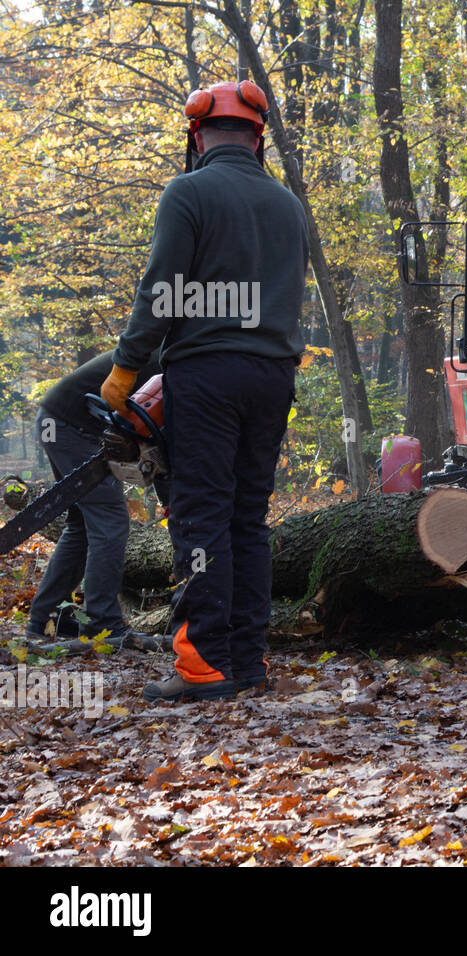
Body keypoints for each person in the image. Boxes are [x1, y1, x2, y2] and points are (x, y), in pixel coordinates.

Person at [101, 80, 308, 701]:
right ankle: (247, 659)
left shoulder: (187, 192)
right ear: (258, 138)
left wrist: (126, 369)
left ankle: (202, 663)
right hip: (274, 376)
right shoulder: (288, 204)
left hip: (208, 375)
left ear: (196, 136)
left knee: (201, 513)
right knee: (249, 516)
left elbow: (160, 289)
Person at [25, 350, 161, 644]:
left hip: (61, 420)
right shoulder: (177, 353)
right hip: (68, 426)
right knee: (109, 521)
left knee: (82, 524)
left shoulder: (171, 346)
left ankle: (46, 619)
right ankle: (103, 623)